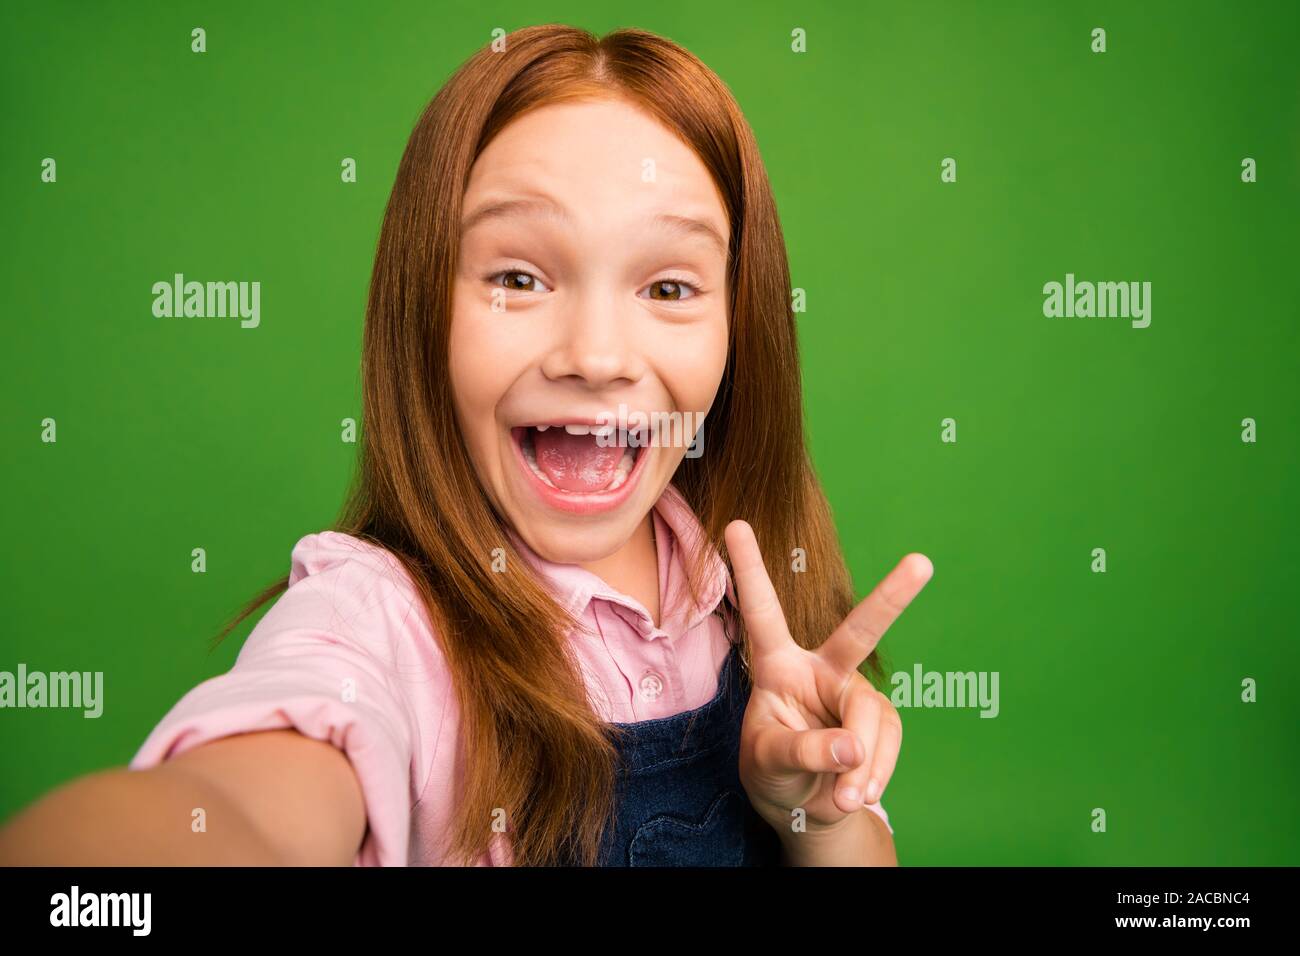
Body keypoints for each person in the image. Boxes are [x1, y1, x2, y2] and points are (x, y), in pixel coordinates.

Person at [0, 23, 931, 867]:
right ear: (423, 313)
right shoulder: (374, 624)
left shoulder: (754, 608)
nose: (597, 356)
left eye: (670, 288)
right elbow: (231, 808)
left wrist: (820, 815)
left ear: (742, 334)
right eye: (520, 276)